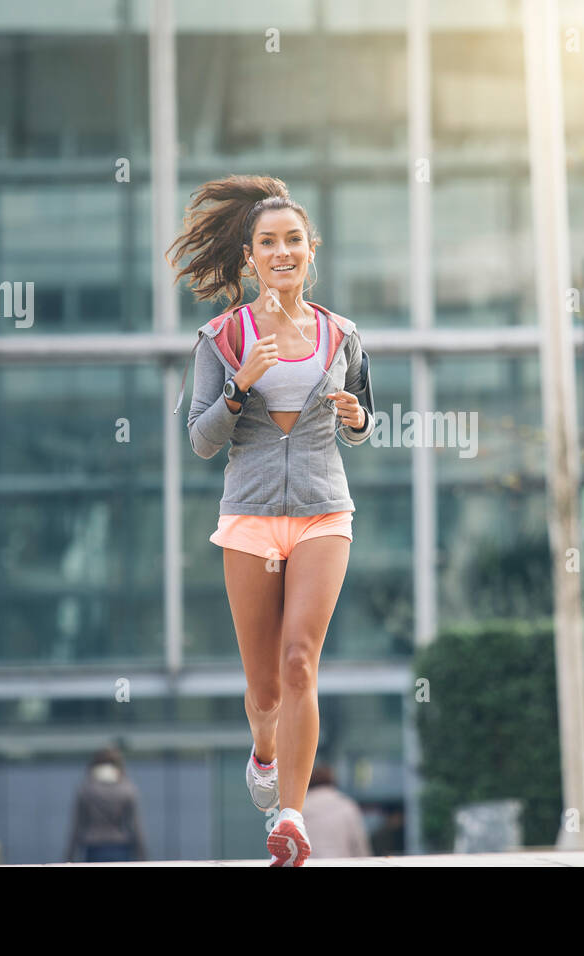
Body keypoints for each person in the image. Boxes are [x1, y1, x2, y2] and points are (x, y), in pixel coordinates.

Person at [167, 175, 375, 866]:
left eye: (293, 240)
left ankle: (292, 817)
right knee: (263, 692)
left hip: (323, 513)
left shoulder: (341, 333)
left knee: (299, 663)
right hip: (251, 521)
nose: (281, 252)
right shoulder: (222, 336)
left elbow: (360, 420)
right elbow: (199, 438)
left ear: (311, 250)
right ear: (249, 258)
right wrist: (238, 387)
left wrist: (356, 419)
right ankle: (263, 751)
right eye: (267, 243)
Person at [65, 747, 149, 863]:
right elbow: (136, 827)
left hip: (94, 847)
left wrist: (69, 858)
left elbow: (77, 827)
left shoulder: (86, 789)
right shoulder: (127, 789)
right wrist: (143, 858)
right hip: (120, 847)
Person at [300, 763, 372, 860]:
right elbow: (359, 845)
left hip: (309, 862)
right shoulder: (347, 805)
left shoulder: (300, 807)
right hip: (340, 862)